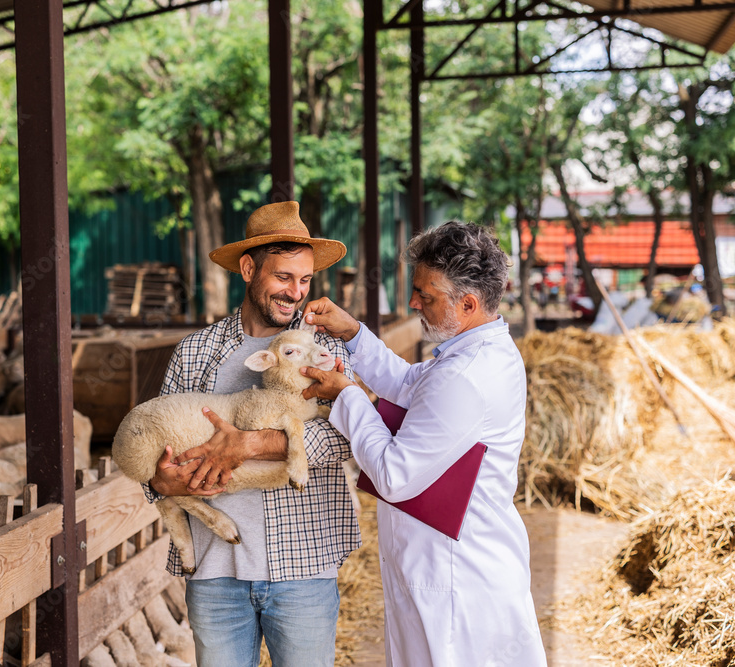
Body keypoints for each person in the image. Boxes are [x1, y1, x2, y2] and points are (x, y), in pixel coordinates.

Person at [300, 221, 547, 667]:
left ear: (468, 303)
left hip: (454, 574)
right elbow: (409, 384)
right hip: (445, 562)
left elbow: (394, 475)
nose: (414, 303)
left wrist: (346, 394)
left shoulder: (465, 376)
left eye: (426, 296)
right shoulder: (475, 352)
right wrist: (352, 332)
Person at [144, 200, 361, 667]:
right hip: (215, 573)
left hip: (302, 566)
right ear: (248, 268)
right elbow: (158, 443)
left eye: (304, 281)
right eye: (283, 277)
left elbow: (350, 432)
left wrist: (252, 443)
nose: (295, 293)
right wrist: (158, 482)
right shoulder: (196, 352)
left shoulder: (322, 348)